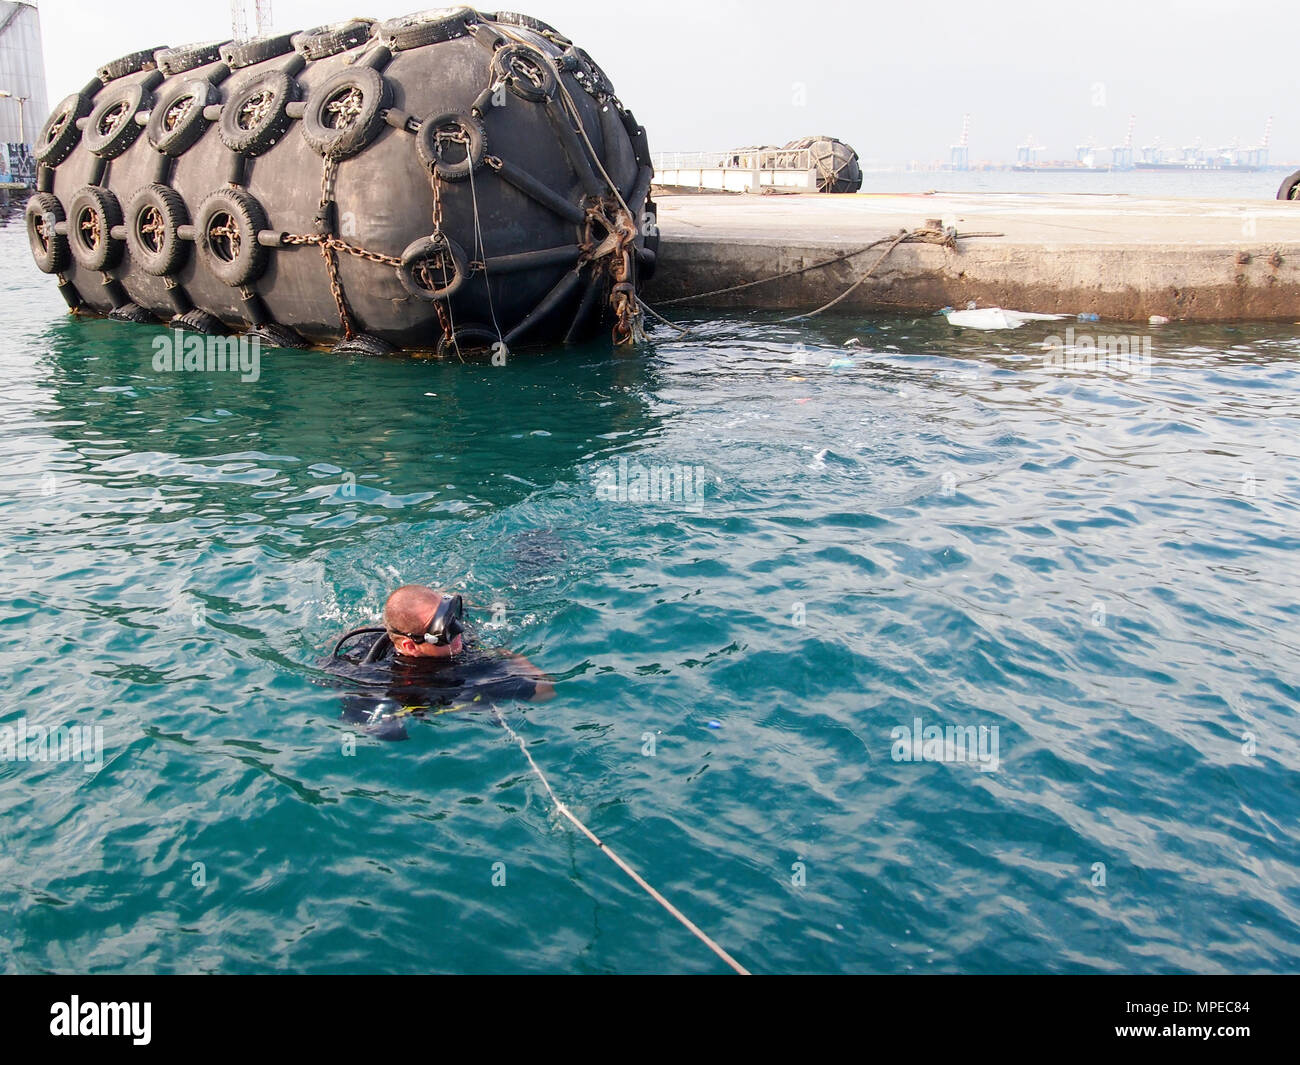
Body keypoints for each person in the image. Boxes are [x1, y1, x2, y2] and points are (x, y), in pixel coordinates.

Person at [321, 584, 553, 739]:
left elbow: (546, 692)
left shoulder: (385, 639)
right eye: (446, 630)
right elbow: (545, 691)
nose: (460, 631)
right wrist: (513, 658)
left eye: (454, 615)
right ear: (409, 646)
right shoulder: (374, 670)